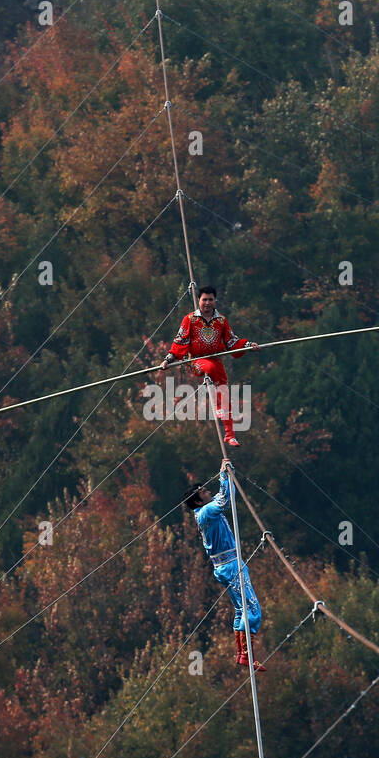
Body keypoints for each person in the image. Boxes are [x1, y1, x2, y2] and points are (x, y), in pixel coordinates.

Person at [185, 461, 266, 671]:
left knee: (241, 610)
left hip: (226, 564)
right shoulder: (205, 512)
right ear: (197, 500)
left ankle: (243, 654)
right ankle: (247, 654)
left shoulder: (204, 513)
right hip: (230, 565)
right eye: (203, 491)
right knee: (252, 608)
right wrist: (224, 476)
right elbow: (225, 500)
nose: (207, 490)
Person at [160, 286, 258, 447]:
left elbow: (231, 341)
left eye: (210, 299)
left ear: (215, 301)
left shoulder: (221, 321)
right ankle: (218, 407)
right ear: (198, 300)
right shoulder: (190, 319)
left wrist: (248, 345)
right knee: (210, 369)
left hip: (215, 360)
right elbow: (180, 342)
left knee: (225, 392)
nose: (207, 303)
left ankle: (230, 435)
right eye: (204, 299)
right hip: (196, 361)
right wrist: (168, 360)